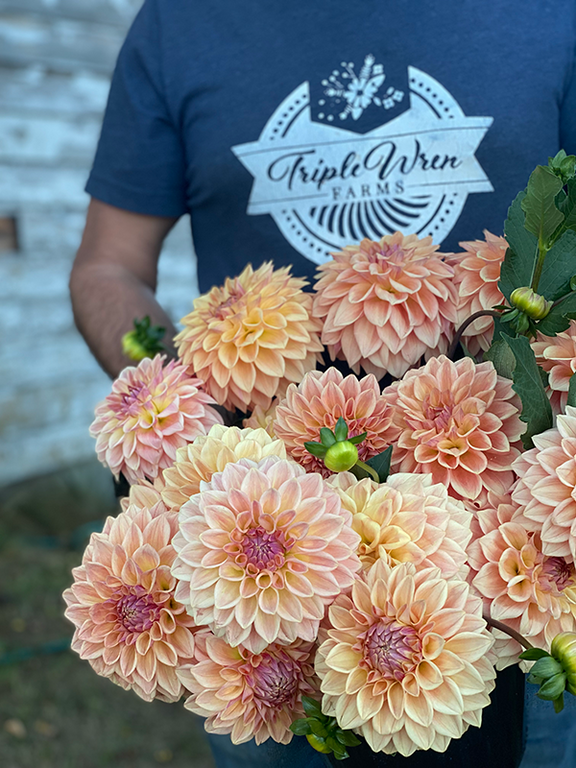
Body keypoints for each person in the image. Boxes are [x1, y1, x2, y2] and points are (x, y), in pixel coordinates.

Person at [69, 1, 576, 765]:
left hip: (535, 558)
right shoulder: (179, 23)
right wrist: (169, 408)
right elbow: (109, 265)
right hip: (259, 600)